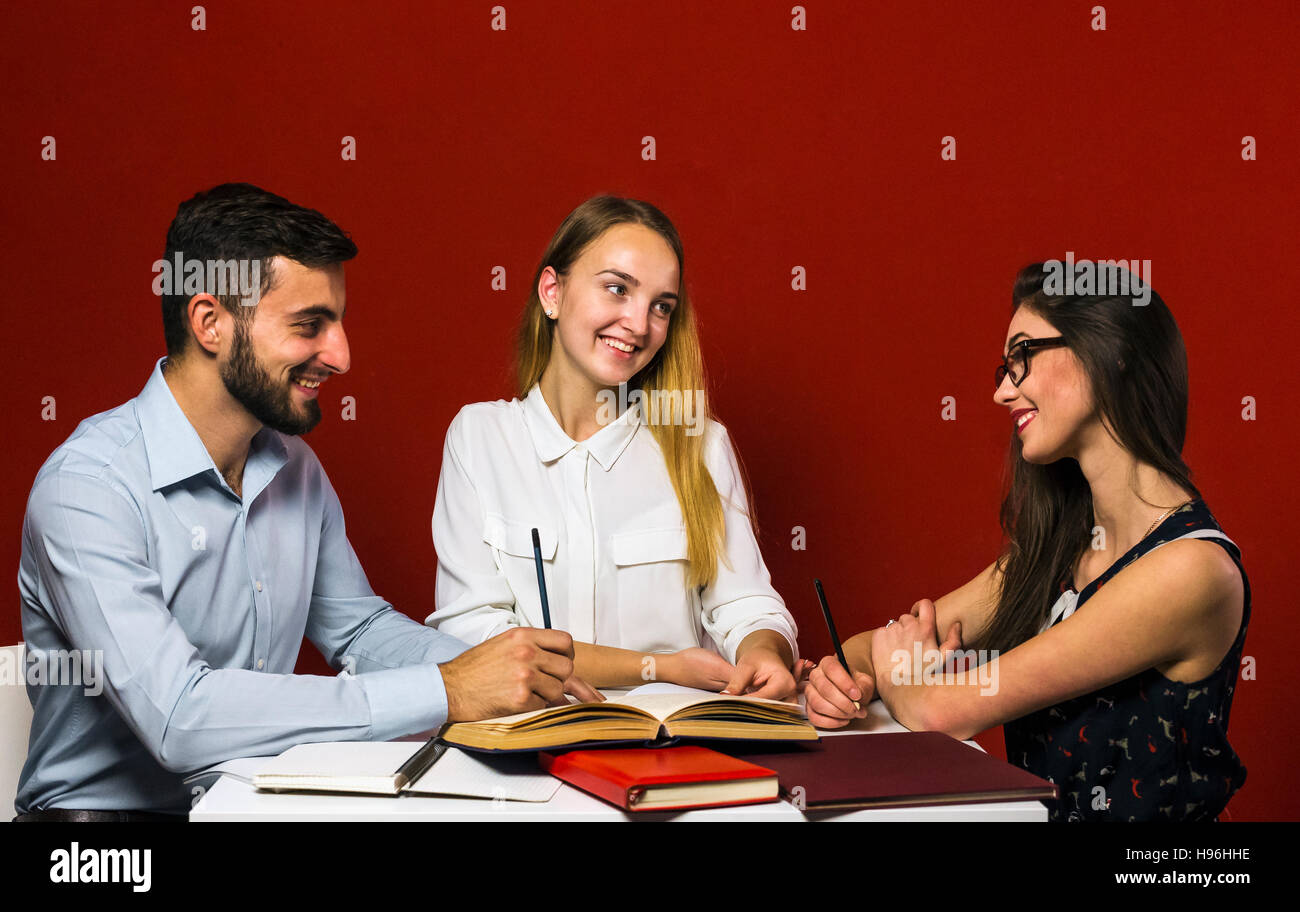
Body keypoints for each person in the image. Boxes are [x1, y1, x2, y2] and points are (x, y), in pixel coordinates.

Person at [15, 183, 596, 820]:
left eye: (338, 323)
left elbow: (360, 629)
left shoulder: (296, 469)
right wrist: (448, 688)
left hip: (250, 805)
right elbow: (179, 718)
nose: (341, 355)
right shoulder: (86, 489)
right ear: (211, 323)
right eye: (308, 325)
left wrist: (507, 671)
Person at [804, 262, 1249, 821]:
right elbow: (879, 645)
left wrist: (901, 678)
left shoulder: (1190, 571)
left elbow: (942, 710)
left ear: (1110, 352)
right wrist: (844, 680)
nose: (1000, 392)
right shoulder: (1060, 552)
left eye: (1022, 358)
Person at [426, 196, 803, 699]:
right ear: (552, 292)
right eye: (617, 289)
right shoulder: (479, 438)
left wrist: (763, 652)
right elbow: (471, 637)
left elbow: (748, 605)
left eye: (661, 307)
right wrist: (660, 667)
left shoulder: (700, 442)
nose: (639, 324)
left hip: (673, 745)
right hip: (532, 751)